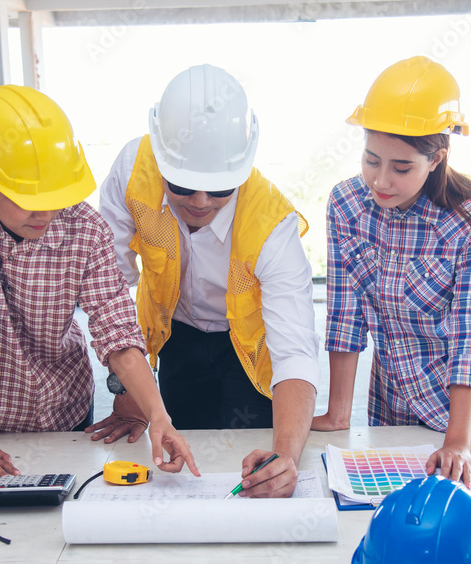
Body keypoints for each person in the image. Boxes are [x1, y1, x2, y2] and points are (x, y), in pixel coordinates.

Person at [0, 84, 198, 481]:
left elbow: (117, 330)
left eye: (55, 195)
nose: (46, 213)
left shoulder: (86, 228)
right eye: (27, 197)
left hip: (63, 403)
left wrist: (158, 416)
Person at [95, 64, 319, 498]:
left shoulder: (272, 225)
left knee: (252, 470)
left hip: (250, 354)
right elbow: (108, 295)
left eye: (219, 190)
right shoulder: (132, 172)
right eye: (182, 185)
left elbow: (294, 350)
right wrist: (128, 390)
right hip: (174, 337)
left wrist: (286, 457)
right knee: (179, 471)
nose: (200, 203)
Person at [312, 56, 471, 488]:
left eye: (401, 168)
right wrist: (338, 412)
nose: (380, 181)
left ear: (437, 158)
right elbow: (346, 314)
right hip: (393, 404)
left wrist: (457, 440)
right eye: (371, 159)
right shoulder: (347, 204)